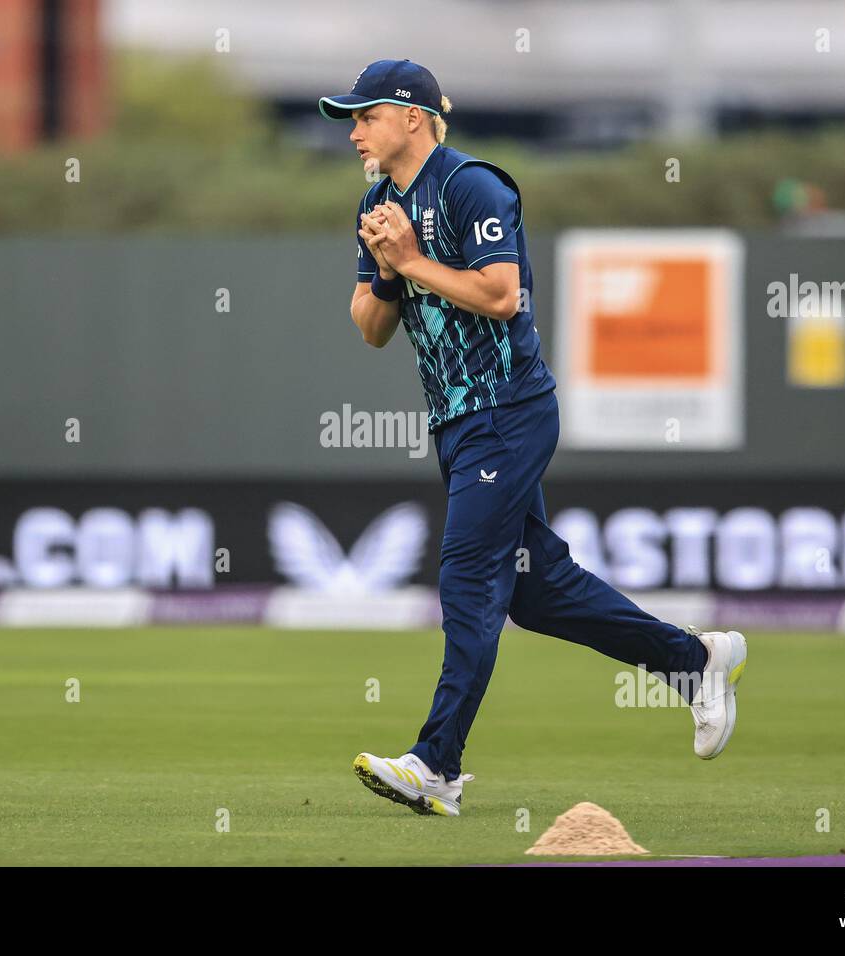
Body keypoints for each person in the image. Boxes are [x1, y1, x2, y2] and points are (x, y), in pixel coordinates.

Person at [320, 59, 747, 817]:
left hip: (508, 412)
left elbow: (500, 292)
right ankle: (695, 659)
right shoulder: (378, 203)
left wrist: (413, 258)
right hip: (456, 424)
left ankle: (436, 766)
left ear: (411, 117)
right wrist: (389, 270)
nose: (353, 132)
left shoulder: (471, 185)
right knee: (538, 592)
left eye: (365, 116)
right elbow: (370, 327)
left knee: (466, 580)